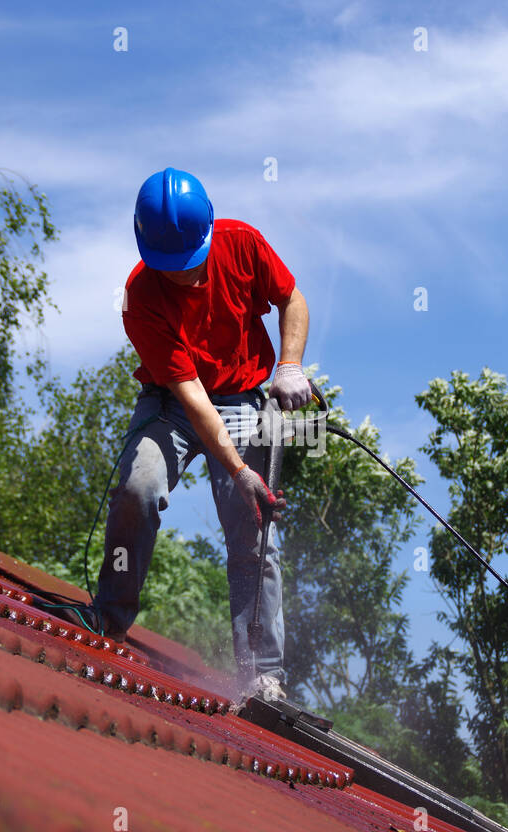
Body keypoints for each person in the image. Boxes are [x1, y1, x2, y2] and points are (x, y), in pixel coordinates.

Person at [90, 167, 311, 703]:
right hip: (176, 403)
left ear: (209, 234)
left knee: (253, 527)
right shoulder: (140, 297)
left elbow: (292, 300)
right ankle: (109, 622)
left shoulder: (242, 243)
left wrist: (289, 365)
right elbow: (191, 396)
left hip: (242, 396)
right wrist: (238, 470)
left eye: (191, 264)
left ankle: (262, 675)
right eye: (172, 268)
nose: (184, 276)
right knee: (139, 487)